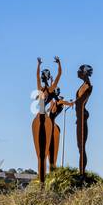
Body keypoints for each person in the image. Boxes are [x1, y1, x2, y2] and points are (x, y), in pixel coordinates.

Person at [32, 57, 63, 185]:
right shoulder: (42, 88)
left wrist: (59, 64)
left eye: (45, 75)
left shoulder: (49, 89)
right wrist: (38, 65)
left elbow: (59, 76)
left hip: (44, 118)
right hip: (40, 116)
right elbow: (37, 77)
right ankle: (41, 181)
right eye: (43, 75)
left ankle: (45, 181)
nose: (43, 77)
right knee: (40, 156)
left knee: (43, 155)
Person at [72, 65, 94, 182]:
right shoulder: (83, 85)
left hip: (82, 118)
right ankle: (81, 172)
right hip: (79, 118)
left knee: (82, 147)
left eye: (79, 70)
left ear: (84, 73)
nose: (77, 72)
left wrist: (73, 103)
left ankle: (82, 173)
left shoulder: (89, 87)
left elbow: (81, 102)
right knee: (79, 147)